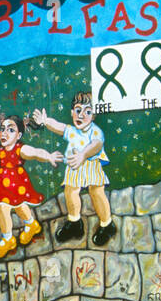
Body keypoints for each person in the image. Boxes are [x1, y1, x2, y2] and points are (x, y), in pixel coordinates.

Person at [0, 113, 62, 258]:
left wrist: (49, 156)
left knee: (12, 207)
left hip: (17, 185)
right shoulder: (0, 150)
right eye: (2, 129)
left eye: (10, 130)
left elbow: (35, 153)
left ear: (19, 135)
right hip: (3, 186)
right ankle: (28, 226)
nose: (4, 133)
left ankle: (11, 237)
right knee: (10, 207)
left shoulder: (20, 149)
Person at [33, 92, 117, 245]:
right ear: (72, 112)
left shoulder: (95, 131)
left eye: (88, 112)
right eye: (78, 110)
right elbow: (59, 126)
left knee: (96, 192)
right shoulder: (72, 131)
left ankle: (106, 224)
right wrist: (45, 121)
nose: (82, 115)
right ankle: (74, 223)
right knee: (70, 191)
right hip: (74, 166)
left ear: (94, 115)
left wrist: (83, 155)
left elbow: (96, 145)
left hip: (91, 165)